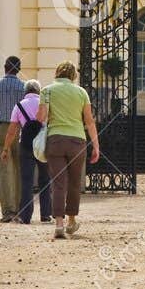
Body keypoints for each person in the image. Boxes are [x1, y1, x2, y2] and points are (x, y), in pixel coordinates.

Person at [37, 61, 98, 240]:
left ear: (57, 73)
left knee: (58, 183)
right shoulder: (81, 92)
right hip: (77, 141)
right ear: (73, 76)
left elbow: (41, 117)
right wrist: (96, 145)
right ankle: (71, 221)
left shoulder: (47, 90)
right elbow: (89, 121)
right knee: (74, 182)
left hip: (55, 140)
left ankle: (58, 224)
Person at [1, 79, 52, 225]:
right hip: (43, 144)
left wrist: (5, 149)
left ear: (26, 91)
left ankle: (25, 216)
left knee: (27, 181)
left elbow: (12, 131)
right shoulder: (45, 104)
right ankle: (46, 214)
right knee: (45, 179)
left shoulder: (19, 106)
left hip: (26, 145)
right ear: (38, 90)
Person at [0, 55, 26, 222]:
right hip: (20, 129)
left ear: (4, 67)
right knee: (19, 169)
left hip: (1, 128)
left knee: (4, 169)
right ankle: (20, 209)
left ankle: (8, 211)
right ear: (19, 69)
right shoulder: (23, 86)